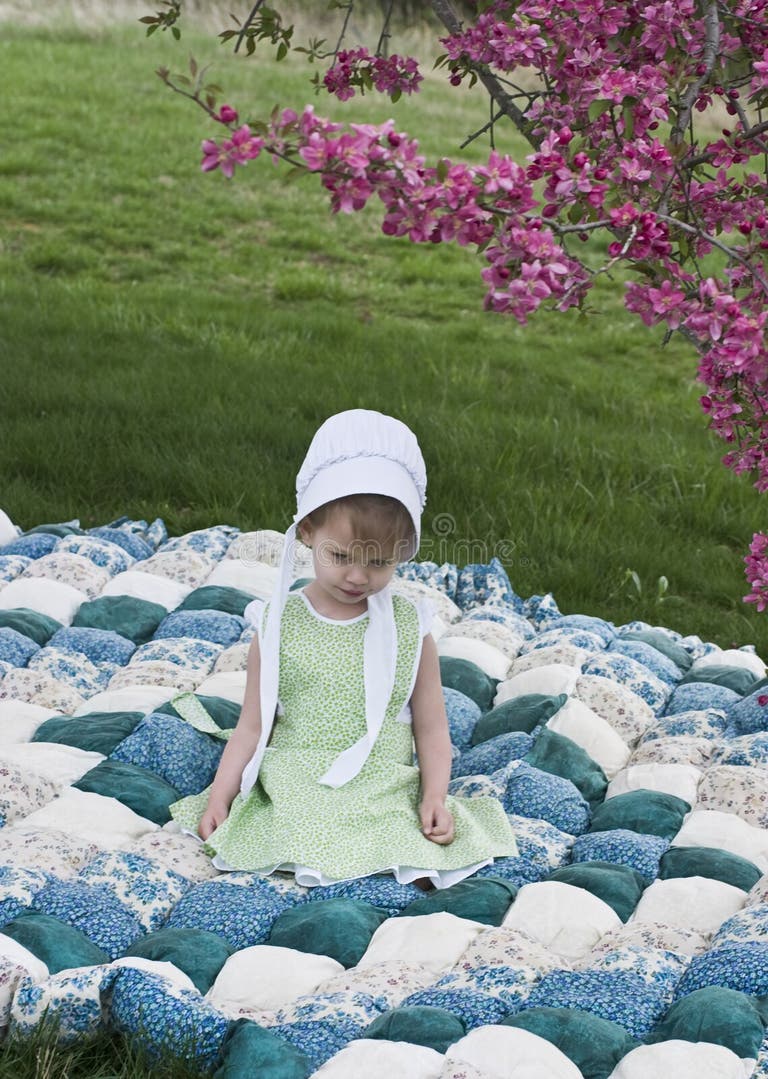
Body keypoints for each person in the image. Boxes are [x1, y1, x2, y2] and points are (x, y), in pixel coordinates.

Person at [169, 409, 518, 888]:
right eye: (340, 557)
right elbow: (253, 726)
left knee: (401, 833)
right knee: (293, 824)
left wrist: (434, 795)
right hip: (296, 777)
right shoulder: (278, 624)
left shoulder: (407, 628)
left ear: (403, 551)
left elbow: (433, 730)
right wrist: (220, 799)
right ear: (308, 531)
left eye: (379, 562)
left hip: (381, 781)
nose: (357, 577)